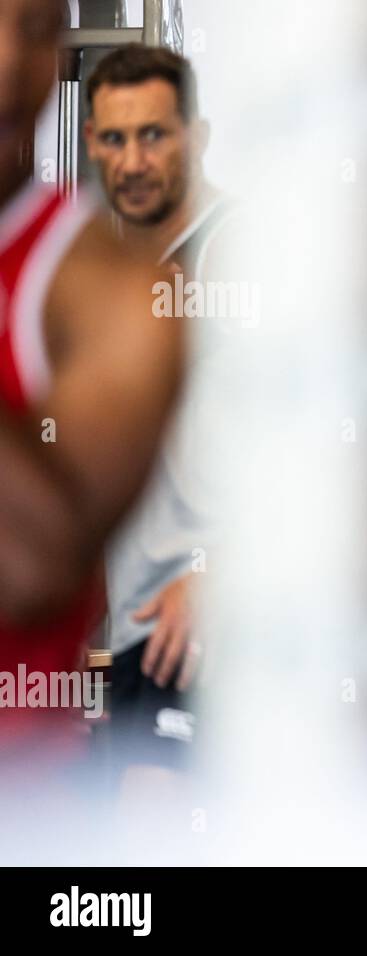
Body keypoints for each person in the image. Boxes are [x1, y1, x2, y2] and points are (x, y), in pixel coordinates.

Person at [0, 0, 182, 775]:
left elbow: (25, 564)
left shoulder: (119, 290)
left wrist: (211, 570)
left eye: (38, 32)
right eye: (114, 138)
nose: (9, 69)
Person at [82, 43, 239, 783]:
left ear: (196, 136)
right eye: (114, 138)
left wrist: (214, 577)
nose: (134, 160)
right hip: (137, 625)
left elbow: (312, 447)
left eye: (154, 134)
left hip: (207, 620)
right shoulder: (118, 263)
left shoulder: (236, 253)